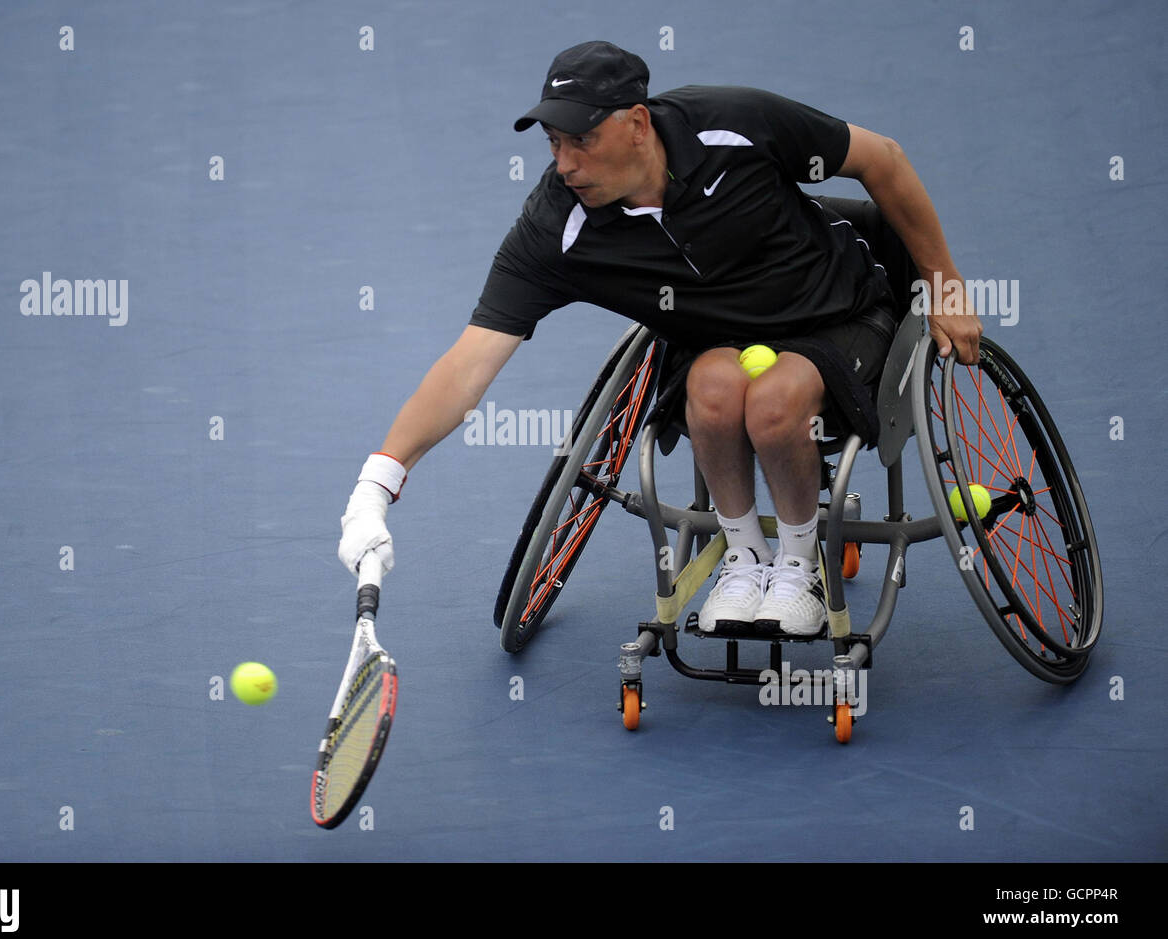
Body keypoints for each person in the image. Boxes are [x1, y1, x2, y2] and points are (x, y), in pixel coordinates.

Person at [339, 41, 981, 638]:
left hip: (843, 315)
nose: (565, 165)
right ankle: (744, 555)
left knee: (777, 401)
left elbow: (882, 160)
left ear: (638, 124)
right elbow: (469, 363)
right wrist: (376, 487)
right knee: (710, 387)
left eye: (583, 141)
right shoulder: (557, 228)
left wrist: (945, 288)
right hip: (718, 346)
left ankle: (799, 563)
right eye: (555, 143)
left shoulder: (734, 124)